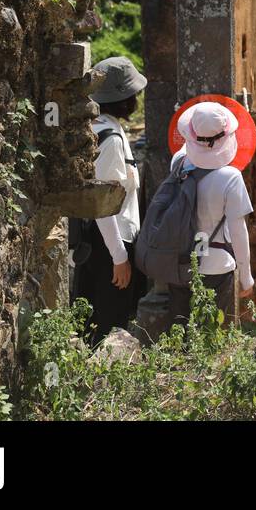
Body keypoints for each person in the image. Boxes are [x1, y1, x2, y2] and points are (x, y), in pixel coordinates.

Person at [73, 56, 147, 345]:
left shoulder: (98, 127)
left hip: (100, 240)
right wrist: (119, 257)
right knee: (108, 326)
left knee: (94, 321)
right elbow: (103, 204)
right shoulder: (111, 139)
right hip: (110, 245)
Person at [168, 102, 255, 327]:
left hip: (180, 263)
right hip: (218, 266)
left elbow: (186, 149)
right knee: (213, 335)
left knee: (182, 333)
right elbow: (239, 231)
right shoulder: (231, 178)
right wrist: (246, 277)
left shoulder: (178, 164)